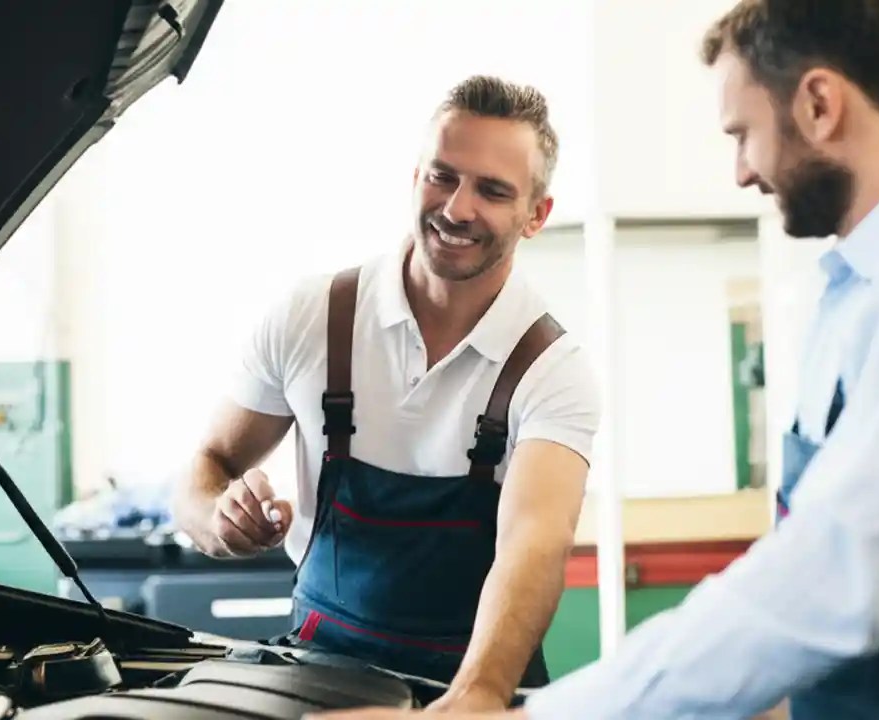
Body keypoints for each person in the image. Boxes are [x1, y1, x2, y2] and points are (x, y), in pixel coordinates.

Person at [310, 0, 879, 718]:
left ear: (817, 103)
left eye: (742, 134)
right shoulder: (857, 289)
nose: (740, 171)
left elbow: (839, 578)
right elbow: (814, 572)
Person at [171, 74, 602, 712]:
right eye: (443, 176)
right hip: (315, 673)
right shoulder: (310, 315)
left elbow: (534, 542)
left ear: (535, 214)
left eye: (492, 190)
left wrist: (475, 699)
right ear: (415, 178)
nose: (458, 208)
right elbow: (206, 468)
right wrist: (217, 518)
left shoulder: (550, 369)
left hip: (473, 683)